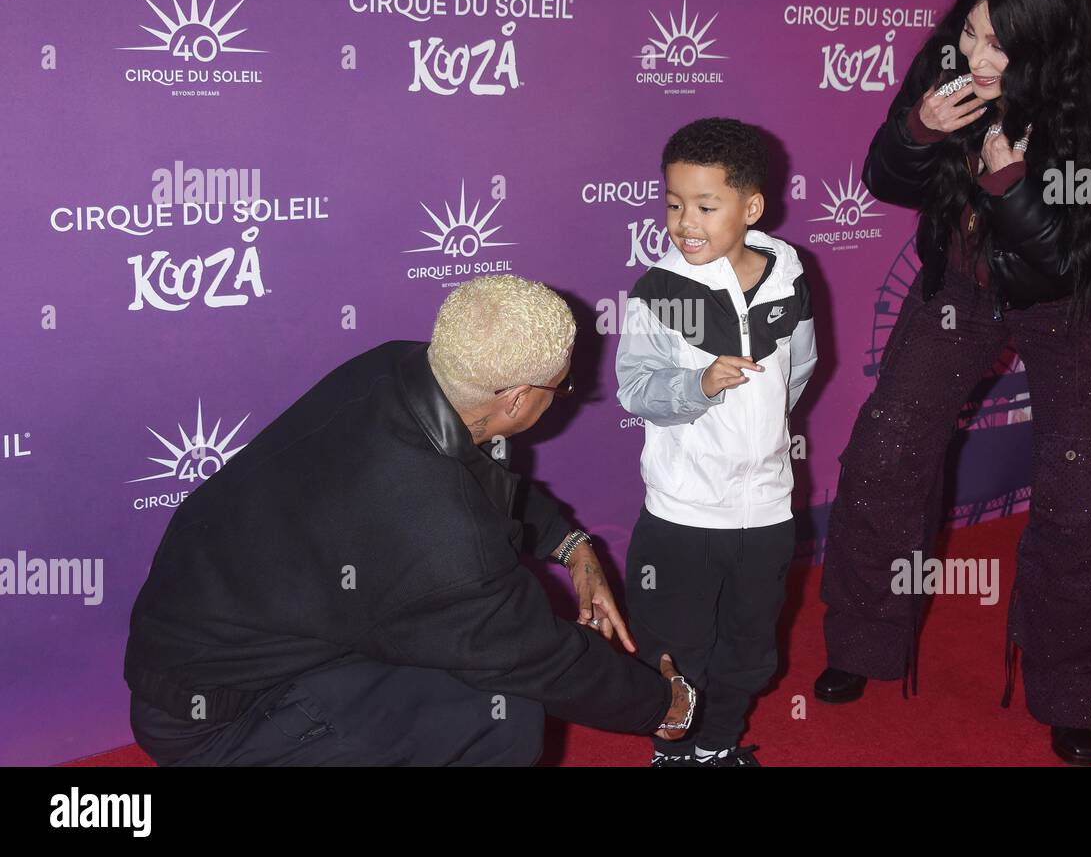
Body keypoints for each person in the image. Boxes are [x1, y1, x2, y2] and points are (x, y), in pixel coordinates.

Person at [814, 0, 1091, 766]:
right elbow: (886, 179)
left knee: (1084, 490)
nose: (974, 54)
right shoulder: (947, 68)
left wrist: (1009, 187)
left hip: (1068, 303)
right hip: (964, 282)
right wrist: (918, 129)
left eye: (998, 43)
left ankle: (1068, 688)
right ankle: (861, 644)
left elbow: (1084, 262)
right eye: (970, 30)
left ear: (1049, 43)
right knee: (885, 450)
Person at [124, 273, 694, 766]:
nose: (565, 394)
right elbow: (541, 658)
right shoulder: (440, 536)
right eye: (562, 386)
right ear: (518, 399)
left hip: (209, 651)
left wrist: (572, 545)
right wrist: (663, 704)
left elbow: (481, 482)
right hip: (219, 726)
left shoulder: (394, 371)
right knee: (504, 717)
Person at [616, 117, 818, 767]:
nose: (685, 222)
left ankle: (717, 747)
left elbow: (802, 368)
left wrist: (759, 432)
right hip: (682, 511)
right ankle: (669, 752)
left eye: (706, 205)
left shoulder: (790, 276)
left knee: (751, 647)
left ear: (750, 206)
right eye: (673, 204)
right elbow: (635, 388)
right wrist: (697, 385)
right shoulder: (658, 290)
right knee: (678, 647)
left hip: (765, 509)